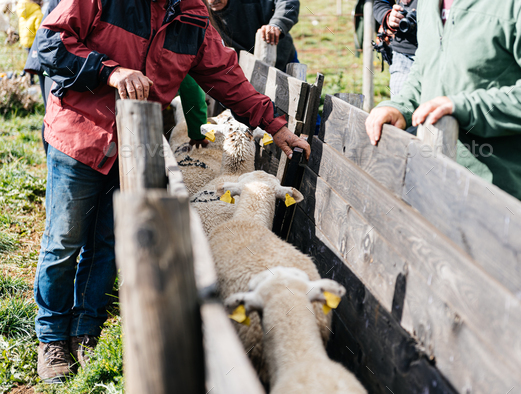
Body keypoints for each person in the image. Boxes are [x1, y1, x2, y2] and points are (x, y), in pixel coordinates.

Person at [34, 0, 310, 384]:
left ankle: (85, 332)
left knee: (107, 243)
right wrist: (109, 71)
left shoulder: (192, 16)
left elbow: (225, 75)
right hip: (80, 136)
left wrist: (274, 125)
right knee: (63, 241)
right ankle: (51, 340)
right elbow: (49, 43)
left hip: (137, 147)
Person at [365, 0, 521, 221]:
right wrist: (401, 105)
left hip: (510, 198)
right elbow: (426, 65)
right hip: (437, 185)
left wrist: (467, 108)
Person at [207, 0, 299, 72]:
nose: (212, 1)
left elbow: (288, 2)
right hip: (238, 72)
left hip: (282, 60)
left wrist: (278, 24)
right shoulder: (200, 12)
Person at [24, 0, 61, 154]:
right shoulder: (55, 5)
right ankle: (50, 158)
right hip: (46, 60)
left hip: (43, 57)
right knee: (51, 113)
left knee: (50, 112)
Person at [373, 0, 418, 98]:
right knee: (402, 109)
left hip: (442, 55)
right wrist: (389, 18)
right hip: (404, 56)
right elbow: (380, 3)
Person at [16, 0, 42, 84]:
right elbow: (40, 31)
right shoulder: (37, 12)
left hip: (25, 40)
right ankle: (38, 78)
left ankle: (30, 78)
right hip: (34, 42)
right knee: (36, 61)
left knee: (29, 60)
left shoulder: (21, 11)